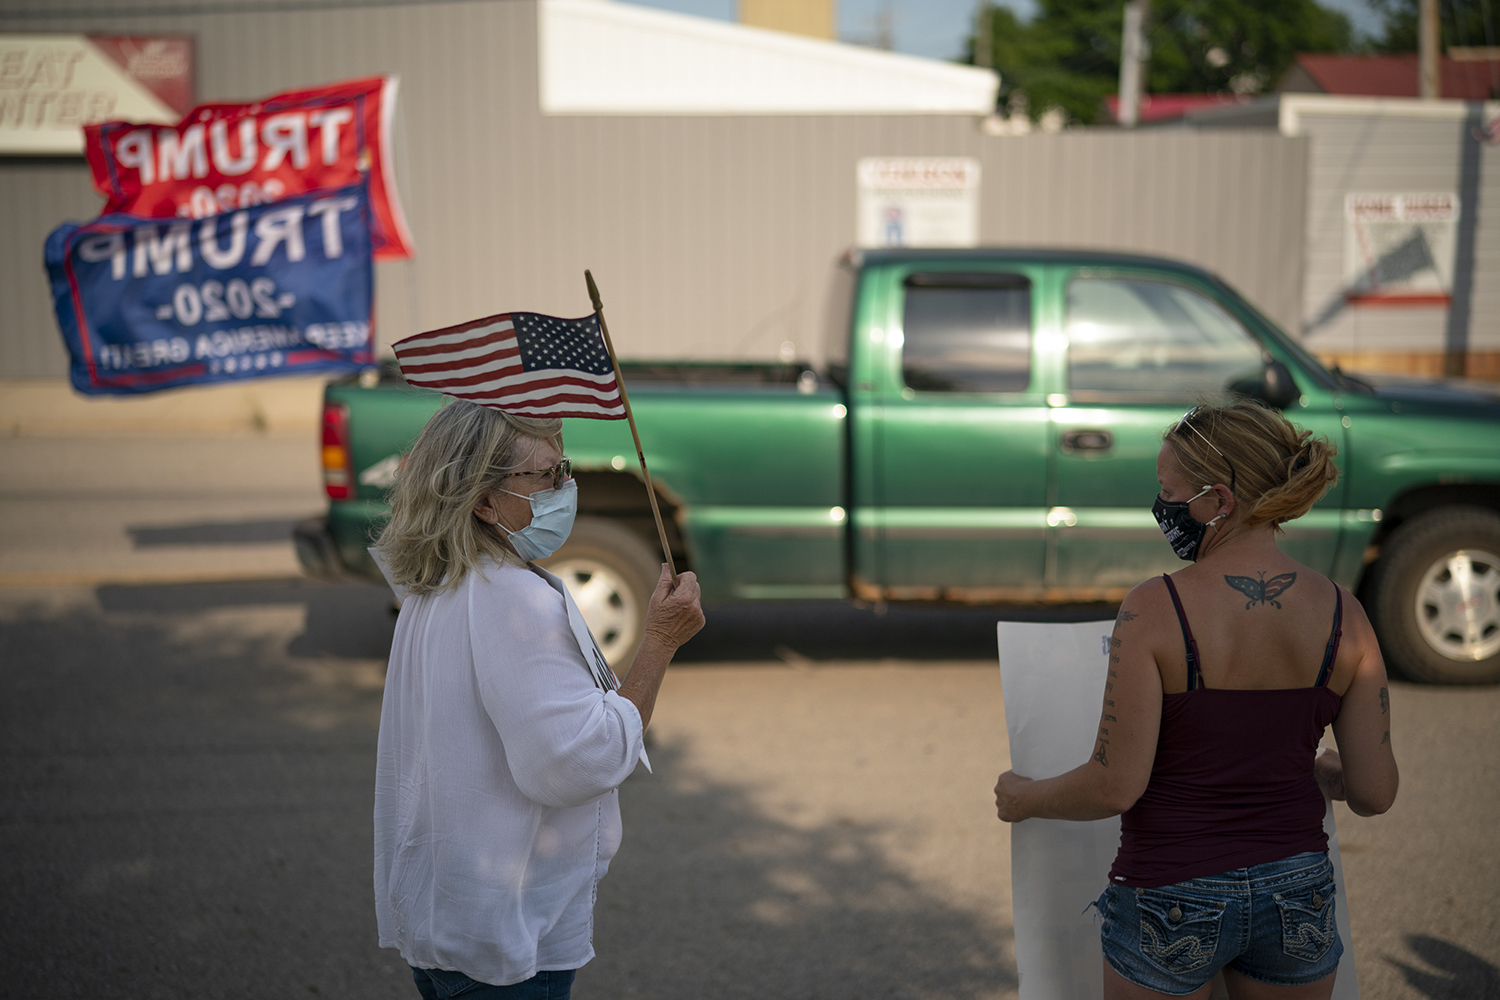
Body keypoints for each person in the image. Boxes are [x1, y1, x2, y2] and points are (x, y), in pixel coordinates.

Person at [994, 399, 1398, 999]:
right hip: (1298, 892)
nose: (1162, 506)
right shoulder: (1347, 615)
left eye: (1169, 490)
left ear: (1218, 500)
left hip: (1171, 893)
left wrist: (1024, 798)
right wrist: (1325, 771)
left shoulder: (1156, 608)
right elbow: (1375, 792)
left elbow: (1115, 785)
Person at [372, 399, 704, 999]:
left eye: (564, 469)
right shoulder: (514, 599)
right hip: (504, 944)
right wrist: (658, 642)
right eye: (546, 475)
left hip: (453, 928)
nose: (564, 488)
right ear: (482, 499)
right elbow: (578, 762)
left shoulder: (443, 582)